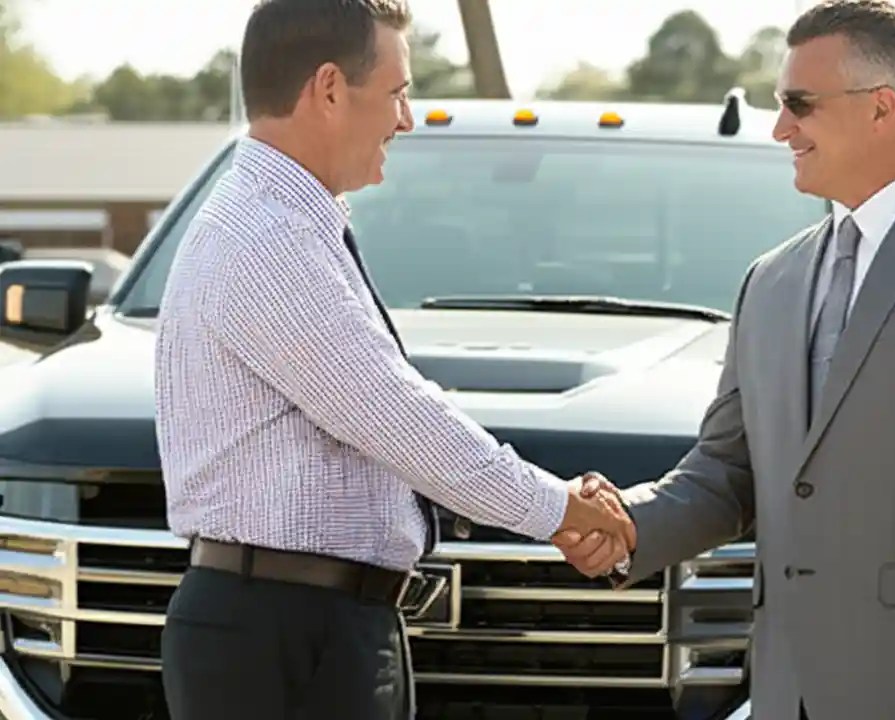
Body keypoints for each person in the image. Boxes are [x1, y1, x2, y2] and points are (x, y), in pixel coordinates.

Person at [554, 1, 895, 718]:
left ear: (882, 107)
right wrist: (629, 522)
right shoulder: (770, 280)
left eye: (799, 105)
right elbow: (727, 470)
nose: (781, 128)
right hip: (785, 694)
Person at [153, 1, 630, 719]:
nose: (405, 119)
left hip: (308, 627)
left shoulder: (281, 221)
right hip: (285, 636)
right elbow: (398, 418)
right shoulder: (266, 237)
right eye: (398, 92)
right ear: (329, 89)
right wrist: (559, 508)